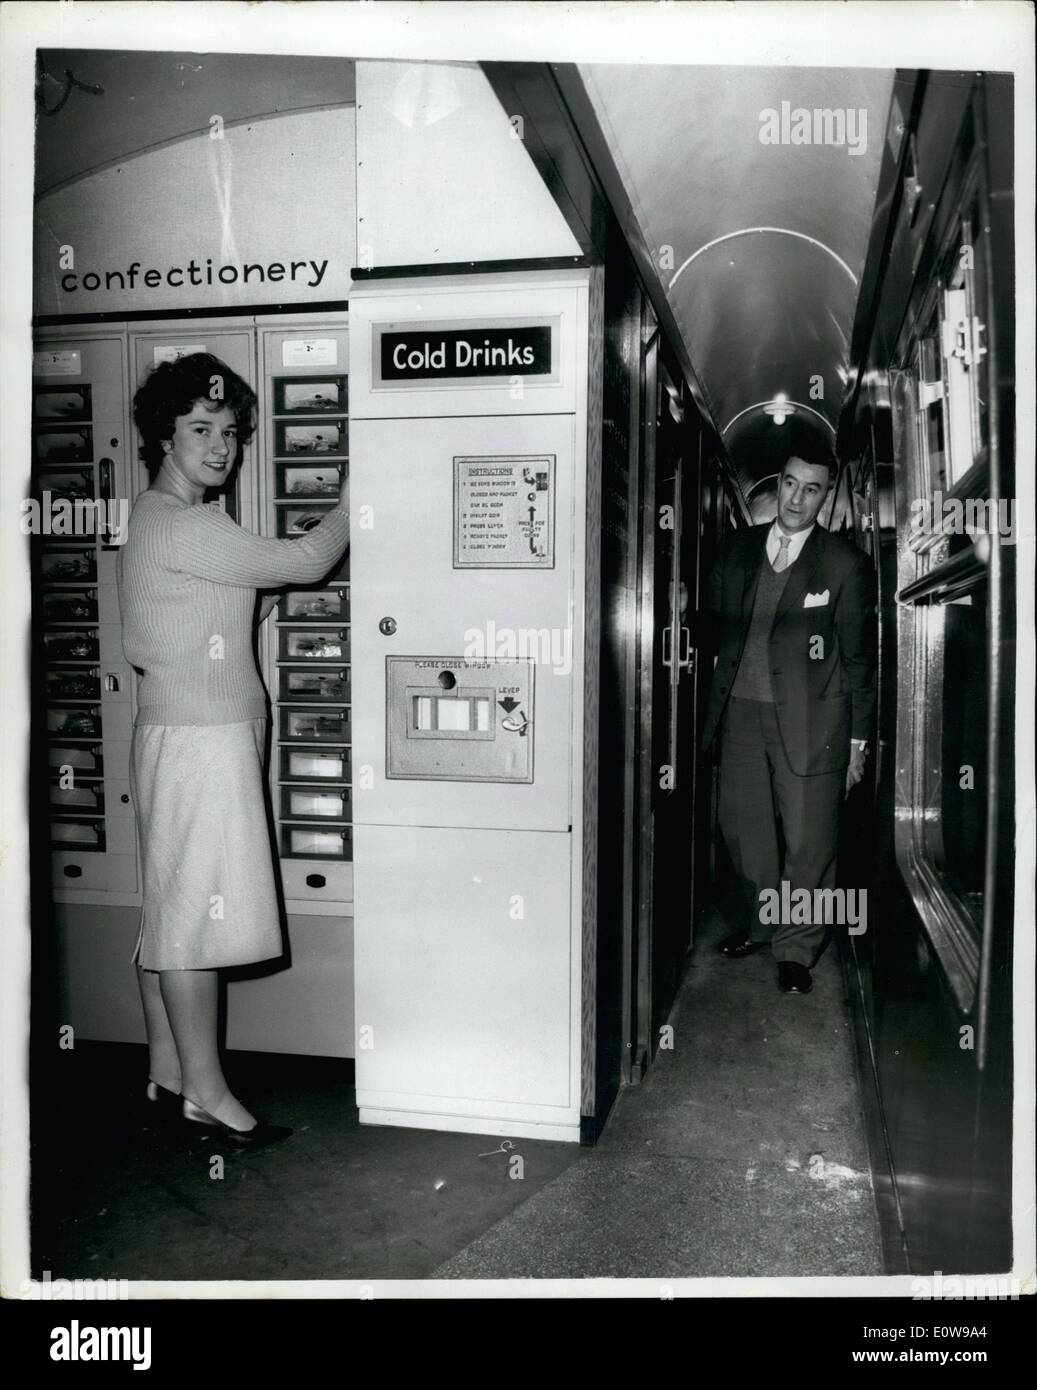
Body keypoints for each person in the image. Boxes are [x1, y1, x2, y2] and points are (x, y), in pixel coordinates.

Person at [117, 352, 349, 1147]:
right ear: (163, 436)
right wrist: (359, 498)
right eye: (200, 429)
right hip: (202, 745)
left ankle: (167, 1069)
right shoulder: (187, 524)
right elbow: (307, 559)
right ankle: (206, 1097)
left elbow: (207, 615)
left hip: (176, 736)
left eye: (231, 431)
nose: (221, 446)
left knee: (170, 912)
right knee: (194, 925)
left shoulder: (157, 520)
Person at [698, 446, 876, 993]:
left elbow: (858, 660)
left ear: (826, 496)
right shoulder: (737, 549)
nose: (797, 499)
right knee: (742, 828)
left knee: (810, 840)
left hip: (813, 722)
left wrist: (858, 742)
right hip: (739, 713)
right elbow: (714, 628)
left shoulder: (845, 565)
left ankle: (797, 950)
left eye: (812, 489)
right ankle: (761, 923)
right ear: (780, 483)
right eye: (792, 484)